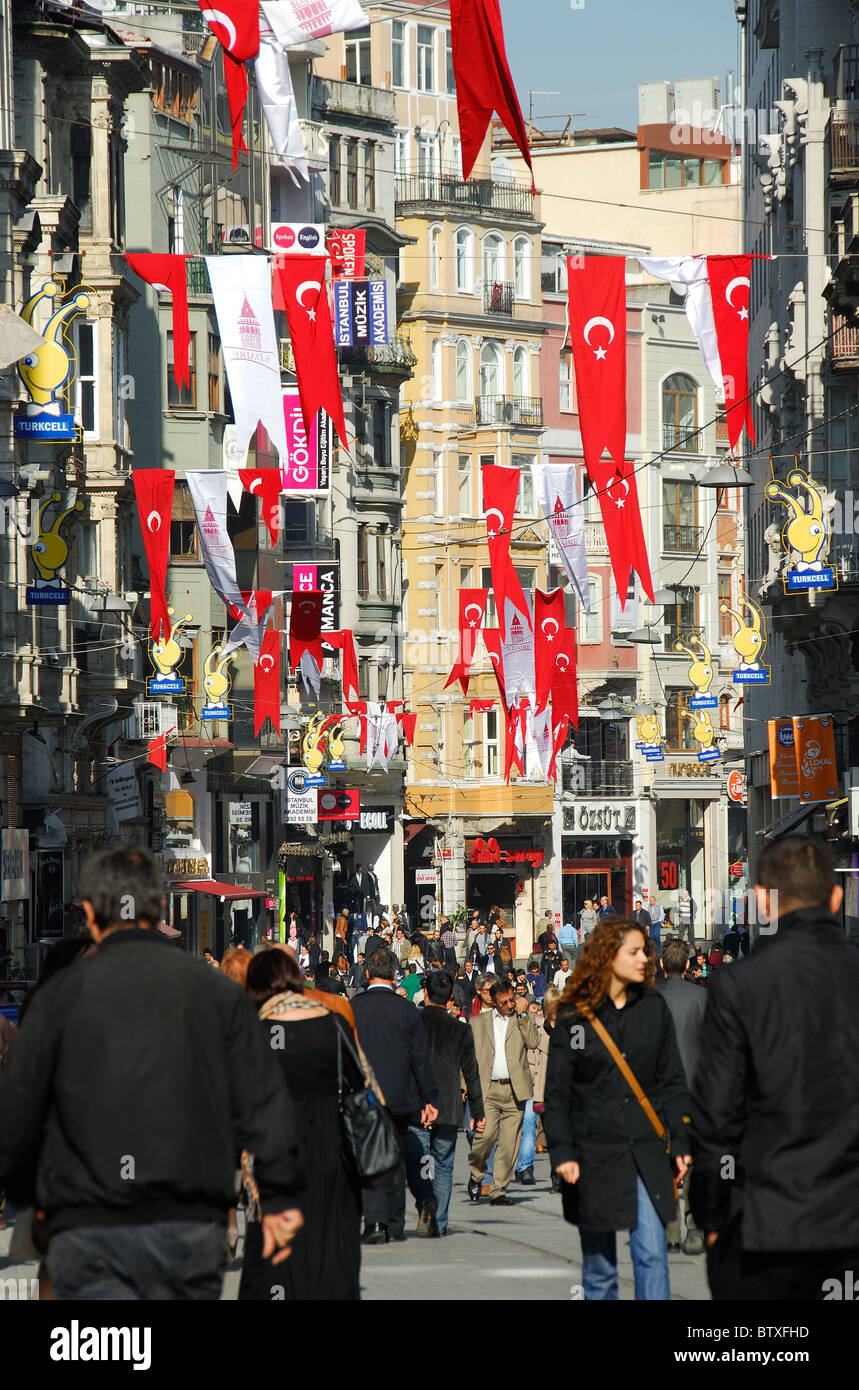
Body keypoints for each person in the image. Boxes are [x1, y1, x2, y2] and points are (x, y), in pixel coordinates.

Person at [0, 846, 304, 1300]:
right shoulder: (215, 994)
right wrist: (278, 1199)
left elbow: (18, 1112)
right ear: (159, 908)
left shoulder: (58, 998)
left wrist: (33, 1197)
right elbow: (265, 1106)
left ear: (89, 912)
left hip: (88, 1224)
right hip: (187, 1225)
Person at [691, 837, 859, 1301]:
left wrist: (709, 1215)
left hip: (766, 1226)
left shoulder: (739, 984)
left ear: (763, 900)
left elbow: (716, 1118)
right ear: (837, 897)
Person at [544, 917, 692, 1301]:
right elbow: (559, 1090)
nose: (645, 958)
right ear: (609, 957)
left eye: (646, 950)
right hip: (594, 1153)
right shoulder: (576, 1015)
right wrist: (562, 1151)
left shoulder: (654, 1007)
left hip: (645, 1148)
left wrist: (682, 1141)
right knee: (599, 1271)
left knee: (652, 1256)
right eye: (635, 951)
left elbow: (672, 1079)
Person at [239, 949, 362, 1300]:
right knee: (328, 1257)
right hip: (331, 1158)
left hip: (272, 1163)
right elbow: (365, 1089)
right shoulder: (333, 1025)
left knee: (275, 1265)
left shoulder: (253, 1033)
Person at [350, 949, 439, 1244]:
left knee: (368, 1157)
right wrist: (430, 1098)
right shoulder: (407, 1011)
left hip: (365, 1097)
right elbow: (420, 1059)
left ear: (366, 974)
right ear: (395, 974)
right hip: (399, 1097)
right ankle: (396, 1223)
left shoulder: (354, 1008)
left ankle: (374, 1222)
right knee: (397, 1158)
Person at [407, 971, 485, 1236]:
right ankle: (438, 1222)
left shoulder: (412, 1023)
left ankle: (425, 1203)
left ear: (425, 993)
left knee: (418, 1161)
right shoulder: (461, 1029)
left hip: (417, 1104)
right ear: (450, 998)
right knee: (443, 1164)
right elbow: (471, 1073)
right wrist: (477, 1111)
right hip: (449, 1106)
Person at [467, 980, 541, 1206]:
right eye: (505, 1002)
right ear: (494, 1001)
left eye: (512, 1000)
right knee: (485, 1137)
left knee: (509, 1144)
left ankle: (498, 1189)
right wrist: (465, 1087)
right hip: (488, 1089)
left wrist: (523, 1016)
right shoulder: (478, 1023)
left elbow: (534, 1042)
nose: (510, 1004)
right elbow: (468, 1058)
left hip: (514, 1090)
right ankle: (476, 1173)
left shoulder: (520, 1021)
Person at [656, 939, 707, 1256]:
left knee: (662, 1161)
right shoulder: (703, 997)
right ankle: (694, 1227)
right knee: (694, 1161)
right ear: (687, 965)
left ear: (662, 965)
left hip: (659, 1094)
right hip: (694, 1093)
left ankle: (670, 1231)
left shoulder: (649, 999)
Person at [515, 994, 550, 1187]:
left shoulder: (541, 1027)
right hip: (511, 1081)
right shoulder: (507, 1025)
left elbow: (538, 1046)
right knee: (512, 1128)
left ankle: (525, 1167)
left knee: (529, 1122)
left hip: (531, 1082)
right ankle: (513, 1164)